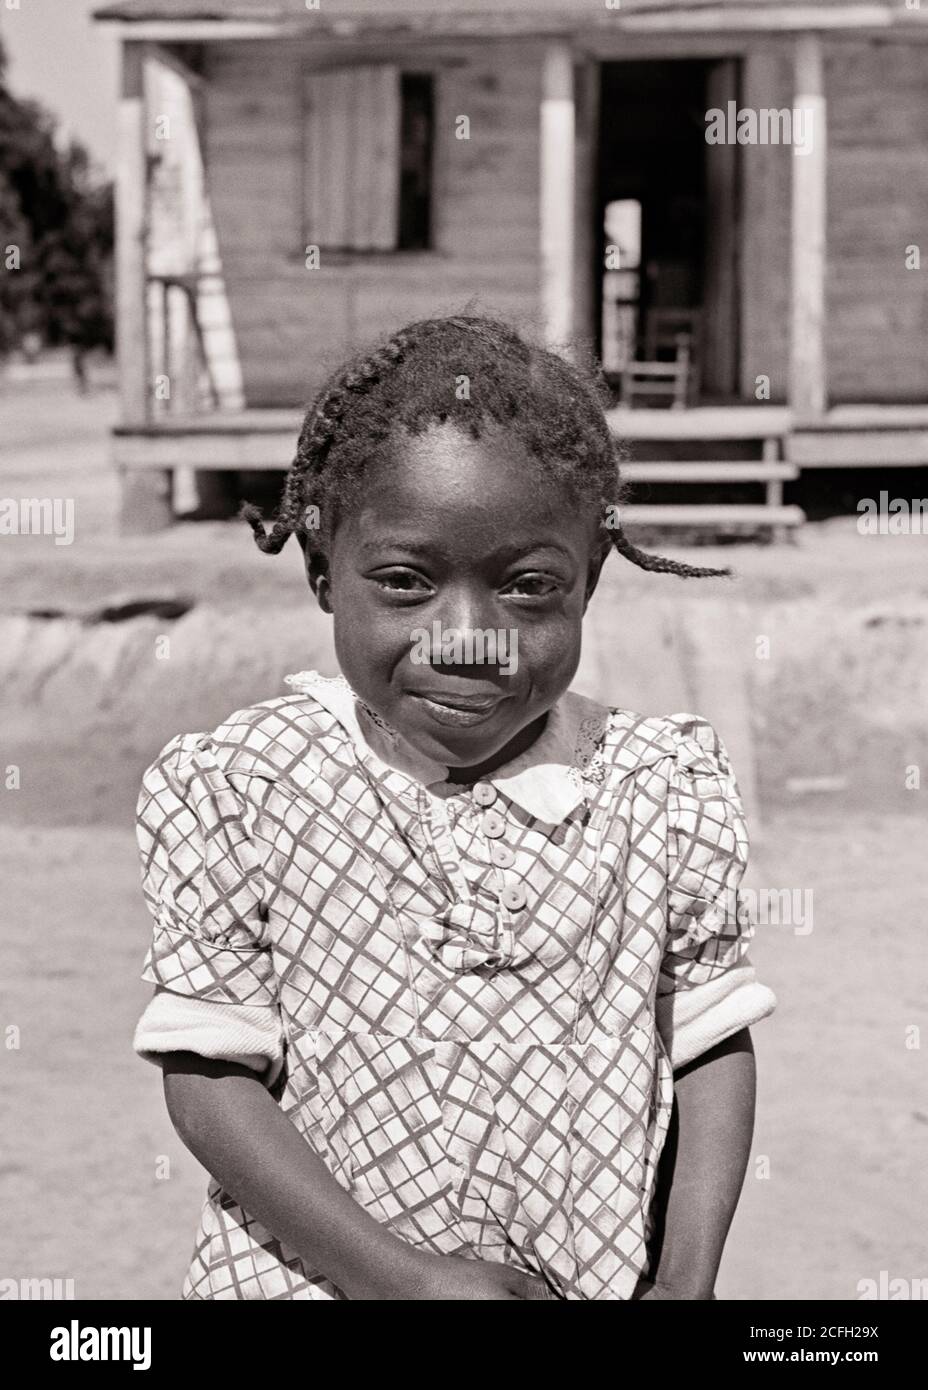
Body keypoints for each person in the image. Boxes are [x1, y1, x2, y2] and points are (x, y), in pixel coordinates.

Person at [132, 314, 776, 1300]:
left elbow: (708, 1041)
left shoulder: (657, 791)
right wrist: (406, 1280)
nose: (469, 638)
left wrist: (686, 1277)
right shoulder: (245, 791)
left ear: (588, 583)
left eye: (527, 589)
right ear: (320, 568)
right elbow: (210, 1080)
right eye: (405, 582)